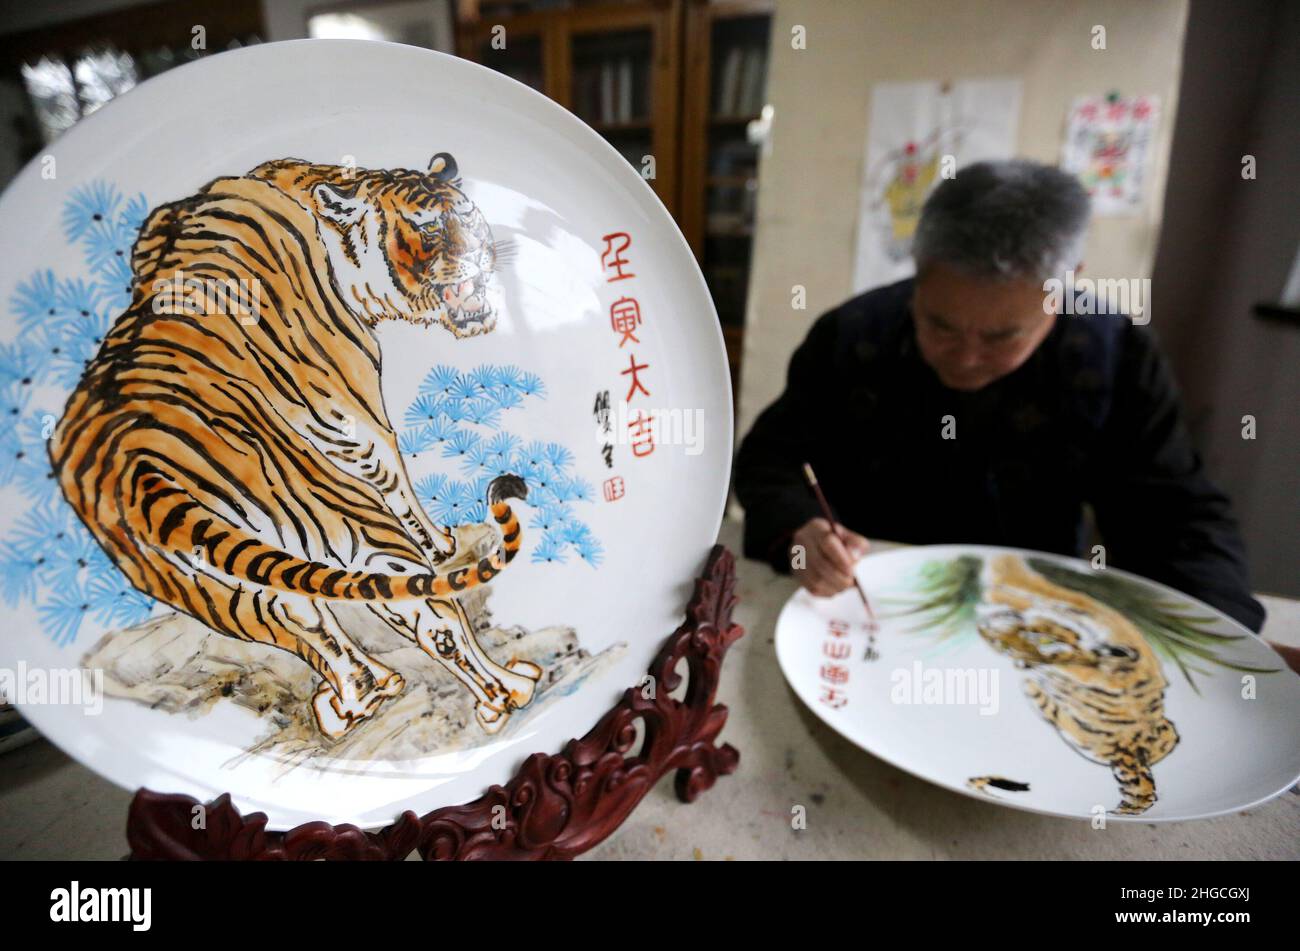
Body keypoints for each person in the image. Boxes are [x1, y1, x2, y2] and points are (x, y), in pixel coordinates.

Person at [733, 159, 1266, 634]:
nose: (964, 357)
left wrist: (1224, 636)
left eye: (1001, 337)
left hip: (1034, 613)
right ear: (918, 269)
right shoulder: (855, 336)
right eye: (939, 326)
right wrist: (799, 531)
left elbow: (1173, 513)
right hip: (864, 605)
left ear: (1065, 287)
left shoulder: (1114, 356)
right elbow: (770, 462)